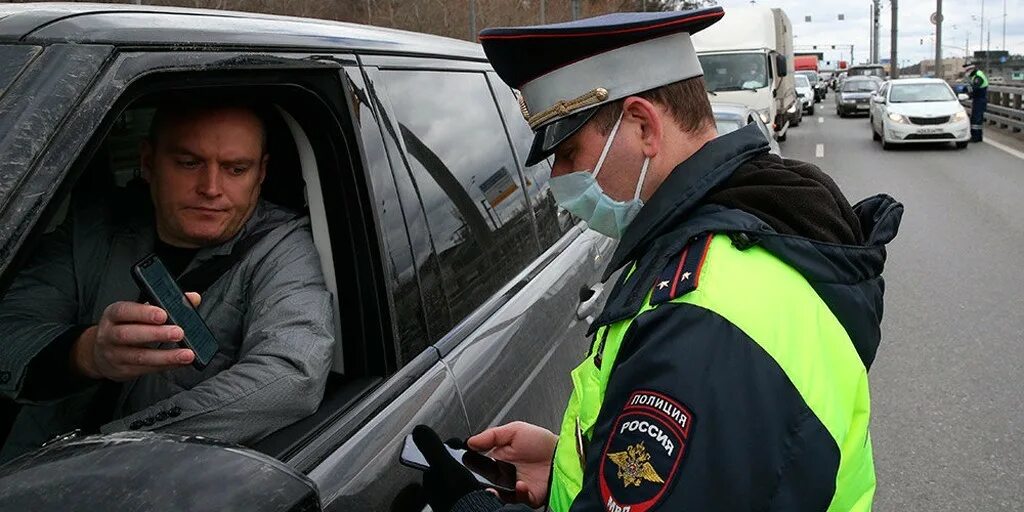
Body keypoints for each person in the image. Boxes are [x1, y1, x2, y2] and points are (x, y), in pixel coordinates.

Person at [411, 8, 903, 512]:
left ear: (644, 126)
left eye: (569, 151)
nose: (558, 179)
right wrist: (574, 466)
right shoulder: (747, 236)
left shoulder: (703, 319)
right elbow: (709, 475)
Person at [0, 98, 335, 462]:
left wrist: (112, 445)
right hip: (23, 471)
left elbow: (291, 375)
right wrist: (87, 353)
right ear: (147, 162)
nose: (211, 187)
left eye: (236, 169)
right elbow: (11, 329)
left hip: (158, 479)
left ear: (261, 173)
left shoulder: (281, 248)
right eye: (189, 163)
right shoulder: (92, 229)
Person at [964, 63, 989, 143]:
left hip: (980, 100)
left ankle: (976, 137)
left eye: (967, 70)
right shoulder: (975, 75)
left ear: (971, 69)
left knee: (976, 119)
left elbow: (974, 88)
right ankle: (978, 137)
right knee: (977, 119)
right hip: (978, 99)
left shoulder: (978, 76)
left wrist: (964, 90)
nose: (966, 72)